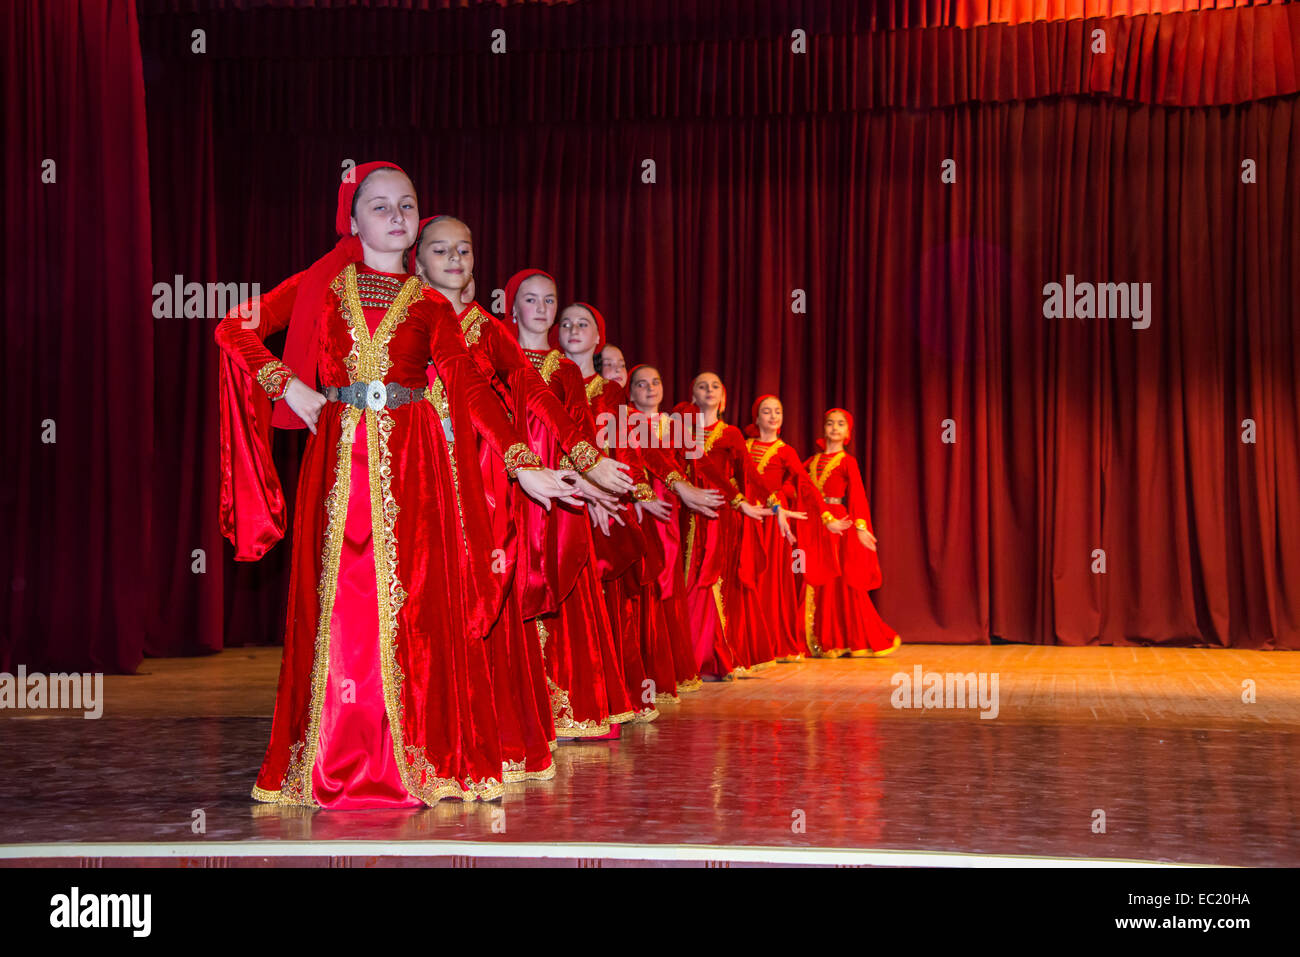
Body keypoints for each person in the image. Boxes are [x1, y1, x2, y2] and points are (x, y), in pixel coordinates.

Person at [216, 162, 575, 807]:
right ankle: (333, 756)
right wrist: (284, 383)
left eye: (406, 206)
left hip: (412, 465)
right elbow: (232, 328)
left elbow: (468, 387)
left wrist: (520, 461)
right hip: (338, 455)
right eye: (379, 207)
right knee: (342, 599)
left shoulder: (432, 304)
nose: (396, 216)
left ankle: (411, 755)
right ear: (352, 221)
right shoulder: (321, 285)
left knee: (411, 606)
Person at [406, 214, 633, 778]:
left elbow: (533, 394)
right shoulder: (402, 315)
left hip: (483, 478)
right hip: (411, 471)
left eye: (465, 250)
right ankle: (415, 738)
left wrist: (585, 457)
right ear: (419, 259)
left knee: (484, 601)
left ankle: (488, 734)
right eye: (441, 250)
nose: (455, 260)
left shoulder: (485, 330)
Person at [508, 270, 656, 733]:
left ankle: (565, 706)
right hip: (509, 486)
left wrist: (591, 488)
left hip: (564, 494)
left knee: (564, 586)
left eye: (549, 301)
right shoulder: (496, 356)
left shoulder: (565, 370)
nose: (542, 309)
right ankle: (514, 711)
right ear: (511, 308)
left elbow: (578, 433)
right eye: (530, 300)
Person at [557, 305, 679, 705]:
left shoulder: (609, 393)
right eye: (567, 323)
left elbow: (625, 448)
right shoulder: (546, 379)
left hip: (605, 503)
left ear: (596, 339)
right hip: (558, 495)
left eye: (584, 324)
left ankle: (603, 695)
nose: (574, 329)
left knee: (607, 599)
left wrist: (635, 495)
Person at [625, 364, 720, 692]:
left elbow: (697, 464)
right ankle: (640, 665)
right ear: (631, 391)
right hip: (636, 504)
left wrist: (732, 498)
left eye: (656, 381)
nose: (650, 388)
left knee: (668, 577)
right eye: (641, 384)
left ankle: (666, 666)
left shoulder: (675, 425)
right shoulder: (624, 424)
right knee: (643, 578)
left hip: (671, 509)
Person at [675, 372, 774, 677]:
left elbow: (750, 473)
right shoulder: (681, 430)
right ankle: (686, 655)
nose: (708, 389)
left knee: (713, 581)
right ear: (693, 395)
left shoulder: (730, 433)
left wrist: (774, 502)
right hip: (686, 511)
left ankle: (712, 656)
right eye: (701, 385)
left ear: (723, 396)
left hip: (721, 515)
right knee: (686, 578)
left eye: (715, 385)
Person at [742, 395, 838, 661]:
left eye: (778, 412)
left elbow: (805, 484)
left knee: (771, 579)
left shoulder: (786, 451)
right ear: (757, 416)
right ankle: (745, 642)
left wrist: (826, 515)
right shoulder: (743, 445)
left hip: (774, 521)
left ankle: (773, 641)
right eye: (766, 411)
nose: (773, 416)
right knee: (746, 576)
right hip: (746, 517)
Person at [803, 408, 902, 657]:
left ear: (848, 432)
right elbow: (798, 488)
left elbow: (857, 494)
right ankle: (819, 638)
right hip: (813, 523)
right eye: (830, 423)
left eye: (840, 424)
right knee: (815, 575)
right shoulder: (810, 462)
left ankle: (841, 638)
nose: (834, 428)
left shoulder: (847, 462)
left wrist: (860, 528)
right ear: (823, 428)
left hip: (838, 522)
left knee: (837, 578)